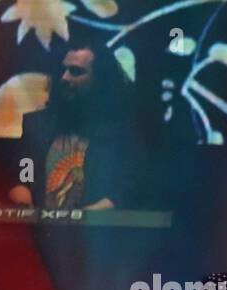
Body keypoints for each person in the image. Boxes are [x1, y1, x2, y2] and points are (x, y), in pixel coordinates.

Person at [8, 38, 137, 210]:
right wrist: (22, 192)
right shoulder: (37, 124)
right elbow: (25, 176)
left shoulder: (122, 131)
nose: (64, 77)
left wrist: (90, 215)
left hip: (98, 232)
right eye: (63, 70)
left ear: (99, 79)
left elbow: (126, 189)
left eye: (75, 71)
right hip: (39, 231)